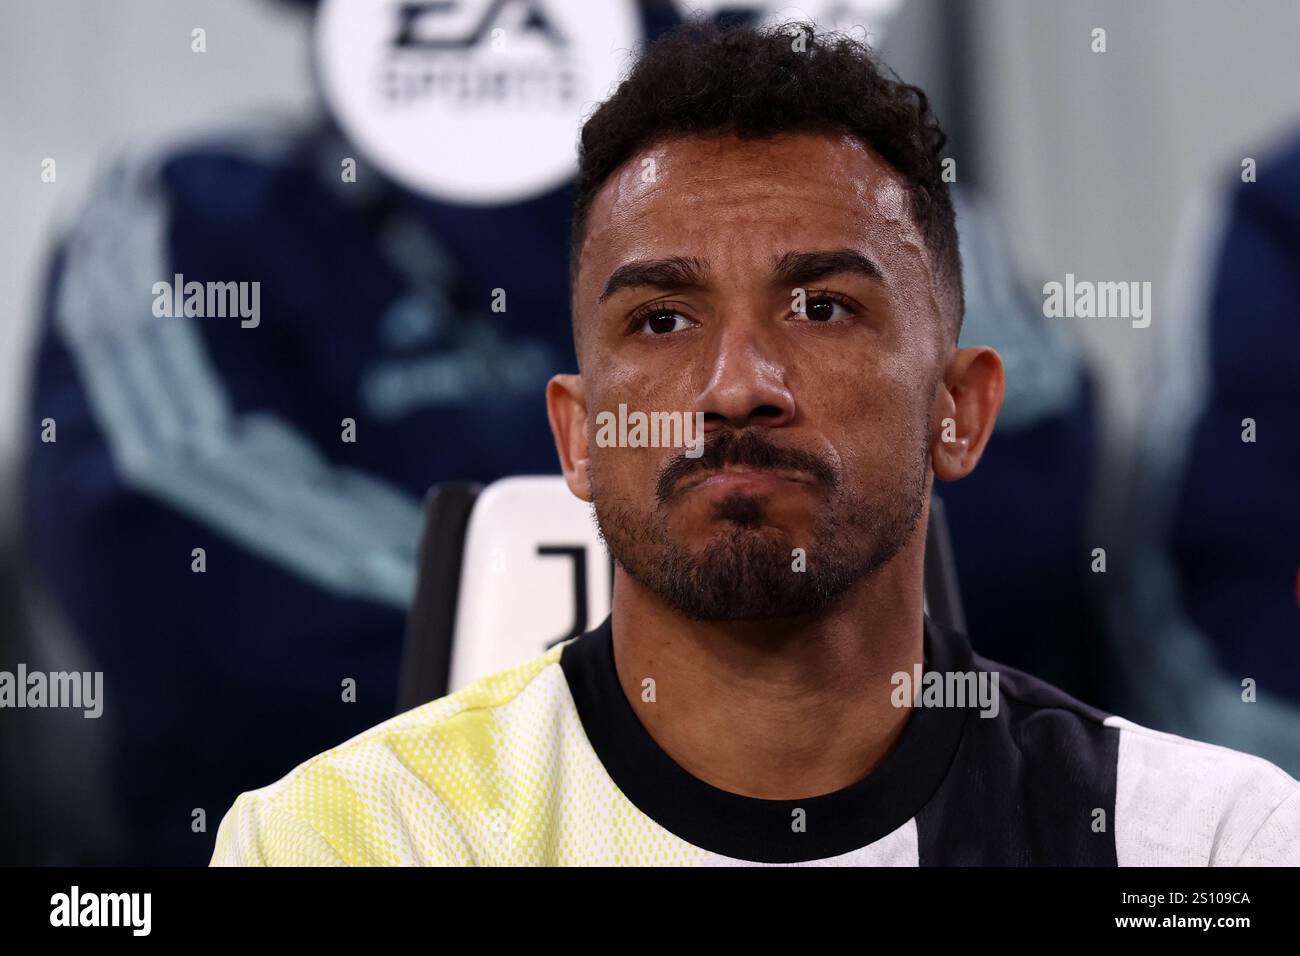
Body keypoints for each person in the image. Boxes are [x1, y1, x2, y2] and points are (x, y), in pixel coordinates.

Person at [210, 21, 1299, 866]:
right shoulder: (343, 839)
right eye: (661, 320)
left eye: (820, 307)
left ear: (958, 409)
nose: (737, 385)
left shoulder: (1201, 842)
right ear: (578, 437)